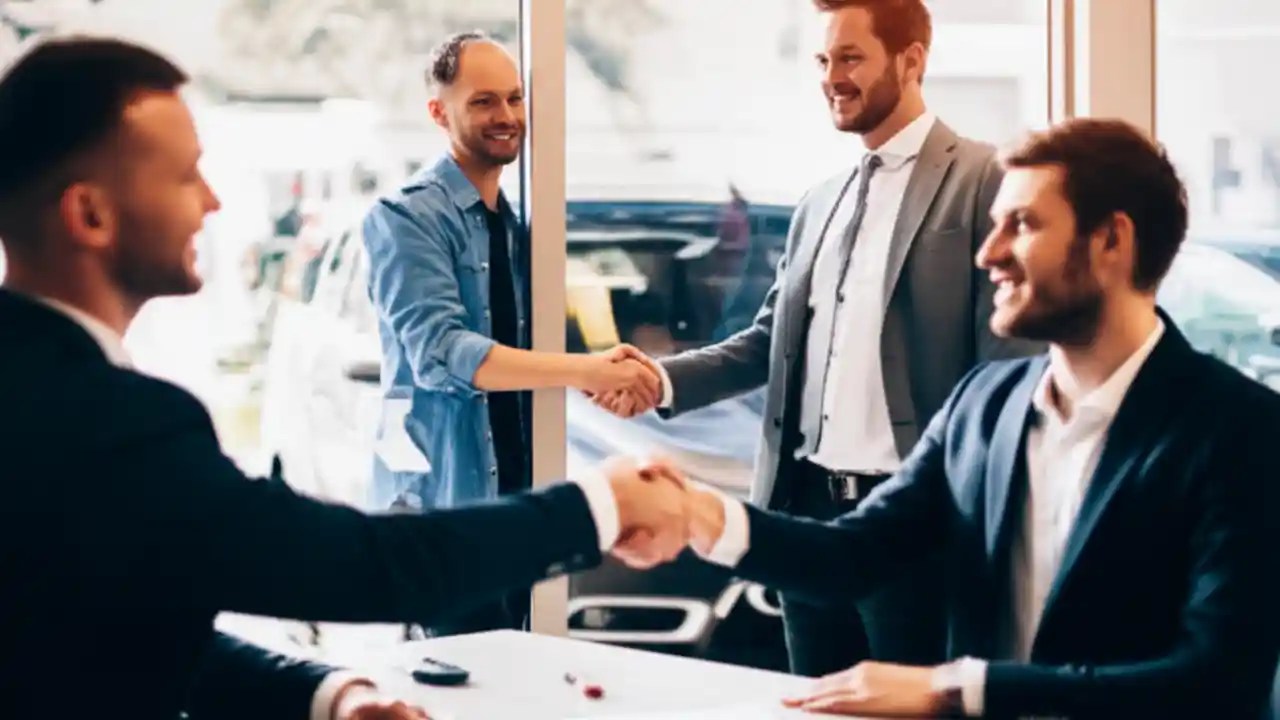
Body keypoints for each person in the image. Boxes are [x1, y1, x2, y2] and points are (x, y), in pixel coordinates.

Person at [0, 36, 687, 720]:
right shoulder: (114, 423)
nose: (211, 202)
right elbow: (359, 566)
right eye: (186, 176)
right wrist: (601, 505)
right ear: (89, 215)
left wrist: (331, 696)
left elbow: (127, 626)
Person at [629, 117, 1280, 718]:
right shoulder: (984, 404)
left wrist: (957, 689)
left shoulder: (1241, 431)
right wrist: (699, 514)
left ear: (1112, 239)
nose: (988, 253)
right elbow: (855, 554)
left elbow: (1218, 678)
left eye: (1022, 225)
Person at [600, 0, 1040, 675]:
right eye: (824, 60)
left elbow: (1006, 366)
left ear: (911, 61)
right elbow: (770, 341)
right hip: (803, 513)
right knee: (817, 704)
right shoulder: (819, 200)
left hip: (913, 524)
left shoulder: (985, 179)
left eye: (851, 58)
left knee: (911, 709)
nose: (832, 77)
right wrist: (660, 380)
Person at [359, 32, 659, 637]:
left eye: (515, 98)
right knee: (460, 673)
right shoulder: (405, 218)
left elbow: (524, 349)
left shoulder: (518, 225)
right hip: (443, 508)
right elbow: (442, 353)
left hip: (519, 496)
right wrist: (585, 369)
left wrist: (604, 370)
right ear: (439, 113)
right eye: (483, 102)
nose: (507, 116)